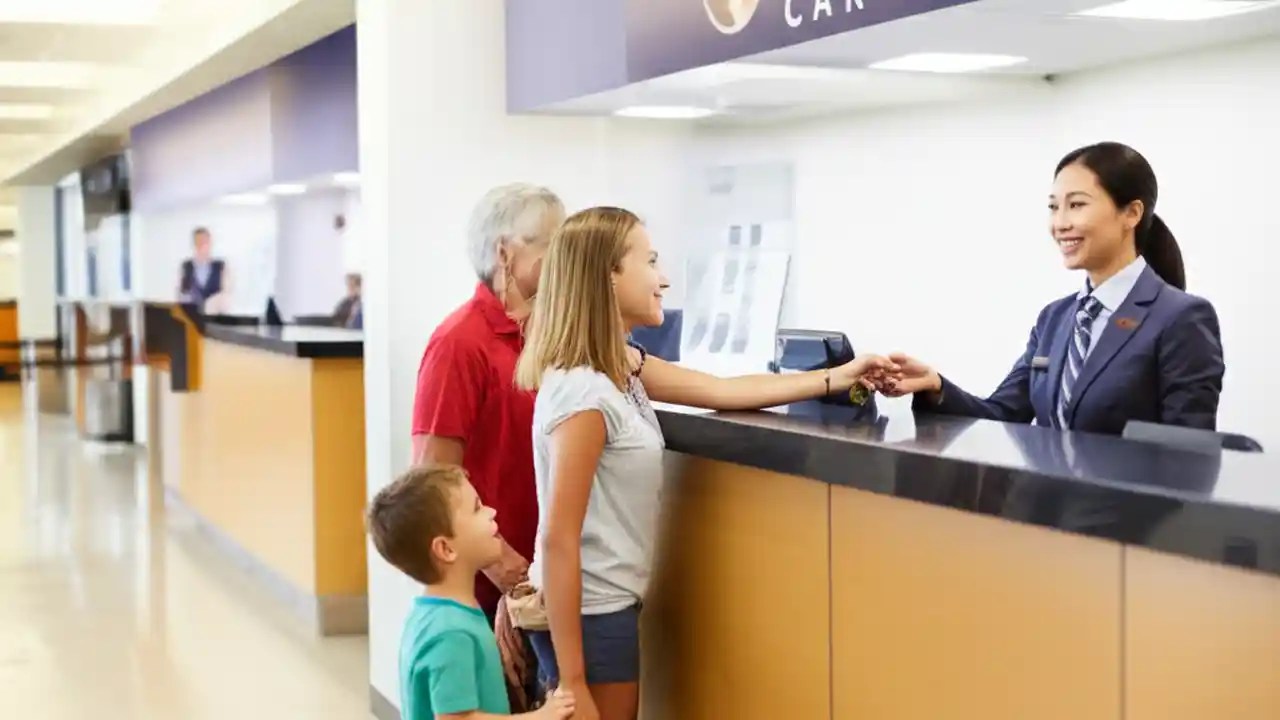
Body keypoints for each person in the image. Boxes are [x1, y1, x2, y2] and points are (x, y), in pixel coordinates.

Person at [512, 206, 898, 720]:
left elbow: (722, 390)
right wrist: (574, 681)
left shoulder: (622, 365)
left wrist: (836, 377)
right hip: (589, 618)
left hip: (604, 611)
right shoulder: (585, 392)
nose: (663, 278)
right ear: (608, 273)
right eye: (649, 261)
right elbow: (558, 540)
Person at [883, 142, 1225, 434]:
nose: (1060, 223)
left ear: (1131, 213)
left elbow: (1186, 455)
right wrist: (936, 386)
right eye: (1053, 207)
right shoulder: (1055, 318)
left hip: (1130, 510)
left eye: (1076, 205)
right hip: (1050, 506)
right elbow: (1003, 415)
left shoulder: (1180, 317)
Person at [411, 184, 565, 705]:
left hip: (542, 584)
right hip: (485, 596)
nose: (565, 260)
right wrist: (513, 580)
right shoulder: (459, 343)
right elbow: (432, 482)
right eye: (553, 245)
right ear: (505, 254)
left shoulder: (544, 339)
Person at [365, 465, 576, 720]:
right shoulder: (450, 632)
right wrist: (541, 717)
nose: (491, 512)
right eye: (477, 508)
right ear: (445, 549)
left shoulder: (436, 613)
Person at [177, 227, 231, 313]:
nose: (202, 245)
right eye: (198, 242)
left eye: (205, 242)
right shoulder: (186, 266)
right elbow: (182, 295)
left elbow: (226, 295)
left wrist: (211, 305)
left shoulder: (221, 266)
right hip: (192, 318)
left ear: (210, 243)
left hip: (215, 318)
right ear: (194, 244)